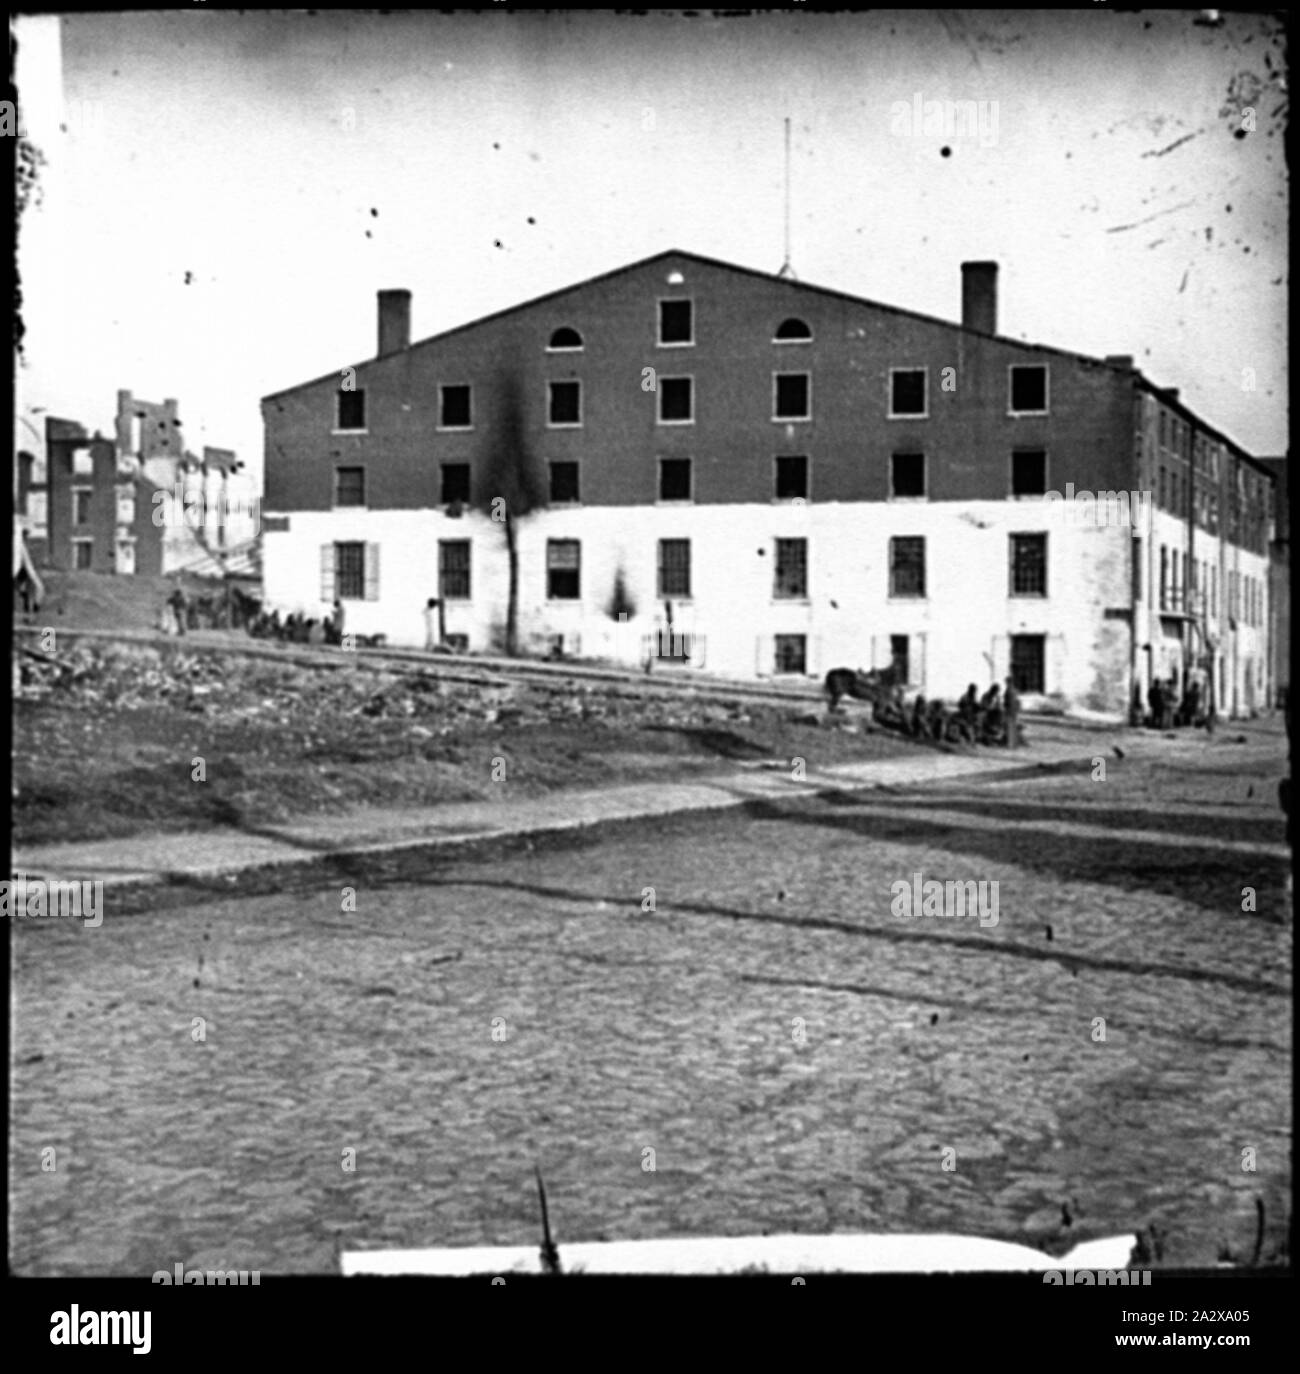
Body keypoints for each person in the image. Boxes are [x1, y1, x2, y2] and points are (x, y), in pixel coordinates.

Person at [1003, 676, 1021, 748]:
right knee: (1013, 726)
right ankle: (1014, 743)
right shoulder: (1015, 690)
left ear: (1008, 682)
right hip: (1014, 711)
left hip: (1009, 710)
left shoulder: (1009, 690)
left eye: (1006, 682)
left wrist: (1006, 707)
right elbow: (1017, 701)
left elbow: (1008, 702)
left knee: (1010, 727)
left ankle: (1010, 744)